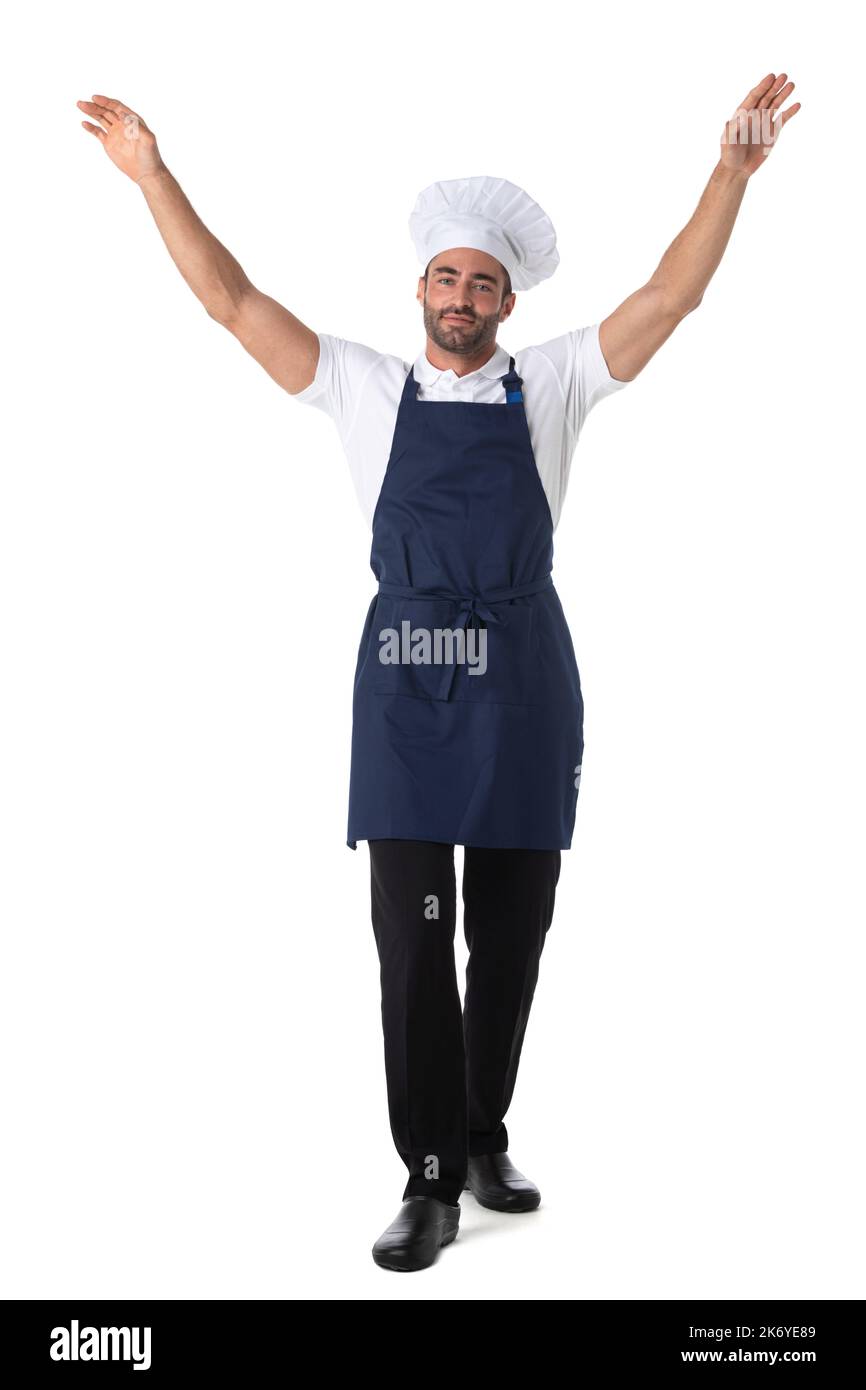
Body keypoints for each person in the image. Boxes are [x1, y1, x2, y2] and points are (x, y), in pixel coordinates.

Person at [77, 73, 800, 1273]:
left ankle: (479, 1131)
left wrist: (730, 168)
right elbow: (230, 300)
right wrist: (153, 174)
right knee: (414, 943)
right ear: (418, 287)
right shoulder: (364, 386)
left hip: (519, 681)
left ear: (506, 298)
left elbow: (671, 295)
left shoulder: (554, 384)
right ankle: (424, 1178)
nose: (462, 296)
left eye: (483, 281)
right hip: (411, 687)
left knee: (508, 938)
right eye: (446, 277)